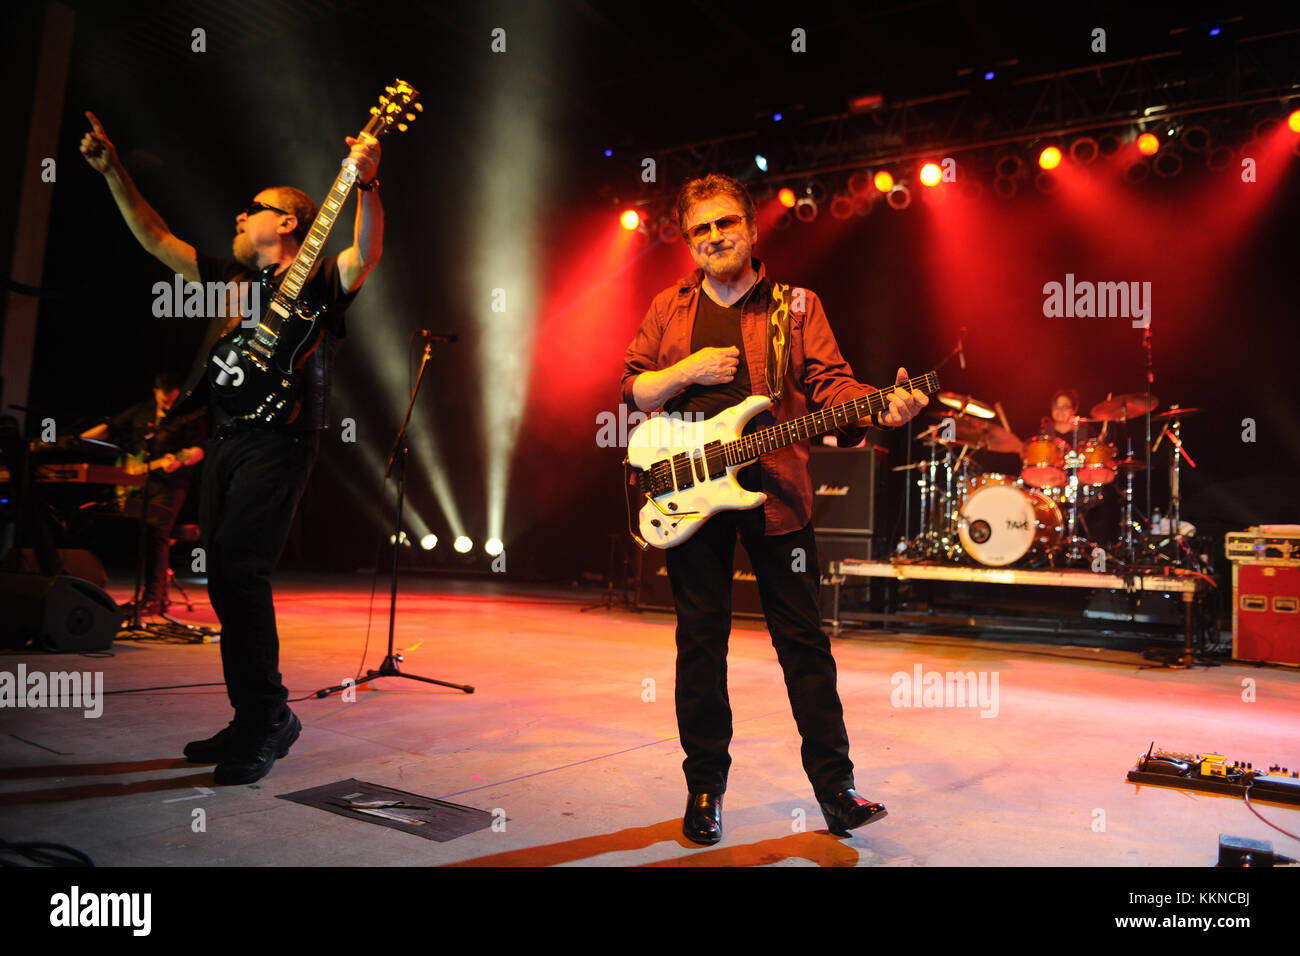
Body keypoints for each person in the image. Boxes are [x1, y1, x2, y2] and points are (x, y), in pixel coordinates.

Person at [621, 173, 927, 843]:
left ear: (753, 229)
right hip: (689, 495)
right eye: (700, 228)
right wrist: (687, 372)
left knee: (804, 644)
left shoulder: (797, 306)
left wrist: (880, 406)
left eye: (725, 222)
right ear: (687, 239)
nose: (714, 237)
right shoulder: (668, 309)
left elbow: (832, 386)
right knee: (700, 645)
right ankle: (705, 790)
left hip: (778, 495)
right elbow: (634, 389)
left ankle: (837, 791)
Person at [80, 110, 383, 784]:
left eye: (254, 210)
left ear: (289, 223)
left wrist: (366, 185)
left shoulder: (320, 279)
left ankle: (269, 719)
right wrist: (112, 172)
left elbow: (365, 255)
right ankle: (255, 717)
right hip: (224, 439)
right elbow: (156, 238)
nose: (239, 217)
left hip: (280, 442)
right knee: (221, 578)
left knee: (241, 574)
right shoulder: (231, 280)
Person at [80, 371, 206, 614]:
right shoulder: (143, 411)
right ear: (156, 391)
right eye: (164, 399)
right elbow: (111, 426)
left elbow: (200, 449)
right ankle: (156, 596)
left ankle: (153, 600)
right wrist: (79, 440)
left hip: (171, 484)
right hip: (139, 482)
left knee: (156, 534)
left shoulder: (189, 413)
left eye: (172, 399)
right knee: (143, 536)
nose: (167, 404)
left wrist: (182, 459)